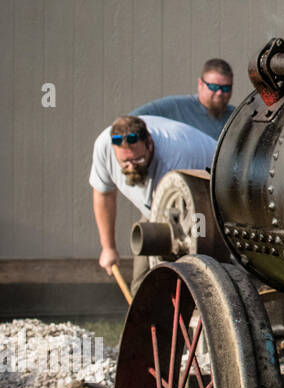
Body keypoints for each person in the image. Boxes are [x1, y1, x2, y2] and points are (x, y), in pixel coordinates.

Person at [90, 115, 217, 287]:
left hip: (205, 201)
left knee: (194, 276)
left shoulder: (175, 156)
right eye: (125, 162)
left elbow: (192, 220)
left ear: (150, 143)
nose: (132, 166)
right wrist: (108, 248)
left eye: (138, 160)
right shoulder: (103, 147)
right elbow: (104, 195)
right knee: (142, 282)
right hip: (158, 206)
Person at [130, 58, 237, 139]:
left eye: (226, 88)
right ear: (200, 84)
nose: (219, 93)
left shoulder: (237, 118)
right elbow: (131, 120)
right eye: (213, 87)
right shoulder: (176, 107)